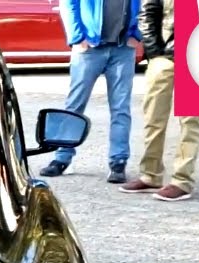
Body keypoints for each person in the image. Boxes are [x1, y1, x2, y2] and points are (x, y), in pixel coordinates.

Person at [43, 0, 142, 182]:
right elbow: (69, 4)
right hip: (89, 48)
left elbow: (147, 4)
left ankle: (118, 162)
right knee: (74, 105)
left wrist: (137, 34)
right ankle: (61, 158)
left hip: (122, 49)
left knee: (121, 109)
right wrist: (77, 37)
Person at [119, 0, 199, 200]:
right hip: (164, 56)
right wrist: (155, 52)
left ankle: (182, 181)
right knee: (153, 117)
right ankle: (150, 175)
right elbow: (148, 11)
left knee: (191, 121)